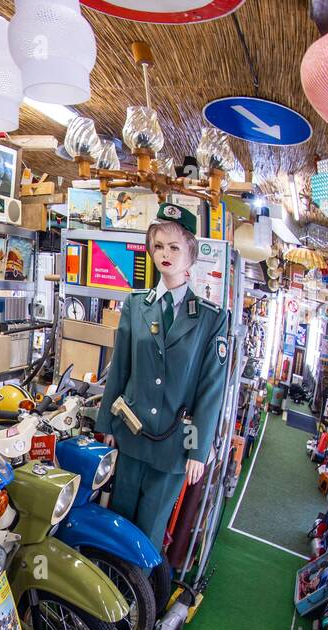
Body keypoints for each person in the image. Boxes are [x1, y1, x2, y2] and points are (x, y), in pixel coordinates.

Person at [95, 203, 229, 551]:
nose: (164, 254)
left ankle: (140, 597)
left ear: (190, 253)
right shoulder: (136, 304)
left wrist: (197, 450)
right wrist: (107, 426)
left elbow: (210, 390)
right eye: (158, 246)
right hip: (131, 435)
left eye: (174, 247)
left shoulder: (211, 318)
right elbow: (119, 368)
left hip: (173, 446)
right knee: (118, 524)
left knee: (151, 531)